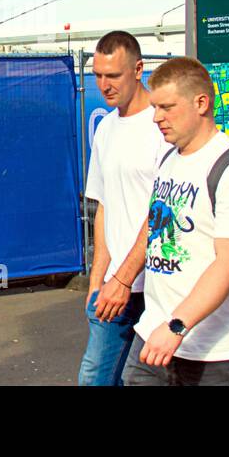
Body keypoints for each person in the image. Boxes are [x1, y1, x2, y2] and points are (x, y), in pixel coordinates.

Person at [122, 56, 229, 386]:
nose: (157, 117)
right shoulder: (170, 157)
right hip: (153, 336)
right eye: (155, 107)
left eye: (167, 107)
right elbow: (154, 227)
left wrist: (176, 326)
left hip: (215, 351)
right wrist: (121, 281)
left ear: (201, 102)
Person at [77, 31, 169, 386]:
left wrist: (122, 278)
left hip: (159, 285)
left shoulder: (162, 126)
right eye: (98, 75)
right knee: (96, 377)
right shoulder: (105, 129)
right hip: (116, 286)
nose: (104, 84)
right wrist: (98, 279)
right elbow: (105, 208)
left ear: (138, 69)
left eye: (113, 75)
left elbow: (164, 212)